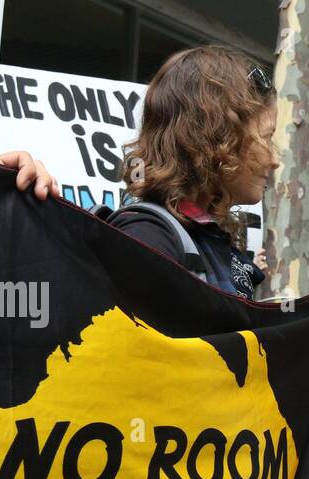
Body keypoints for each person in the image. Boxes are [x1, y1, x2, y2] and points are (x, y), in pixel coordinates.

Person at [112, 47, 276, 299]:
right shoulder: (148, 238)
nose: (274, 160)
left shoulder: (204, 238)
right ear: (218, 139)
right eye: (266, 138)